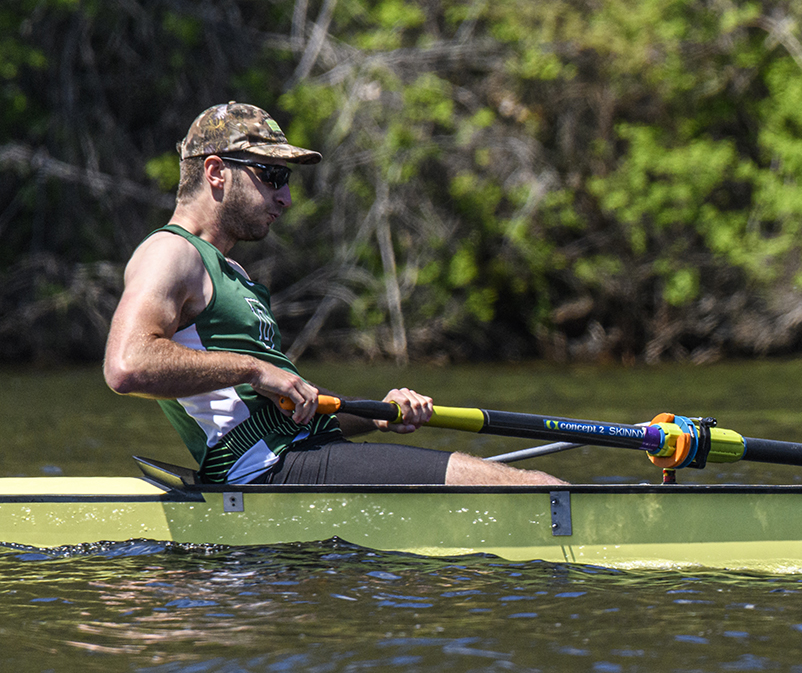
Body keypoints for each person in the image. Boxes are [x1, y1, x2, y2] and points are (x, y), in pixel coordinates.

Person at [103, 102, 561, 486]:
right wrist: (256, 370)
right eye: (271, 175)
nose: (285, 199)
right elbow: (127, 365)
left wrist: (378, 414)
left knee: (507, 483)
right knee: (534, 489)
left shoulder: (233, 274)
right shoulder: (170, 253)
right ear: (217, 171)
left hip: (301, 454)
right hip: (265, 470)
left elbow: (291, 409)